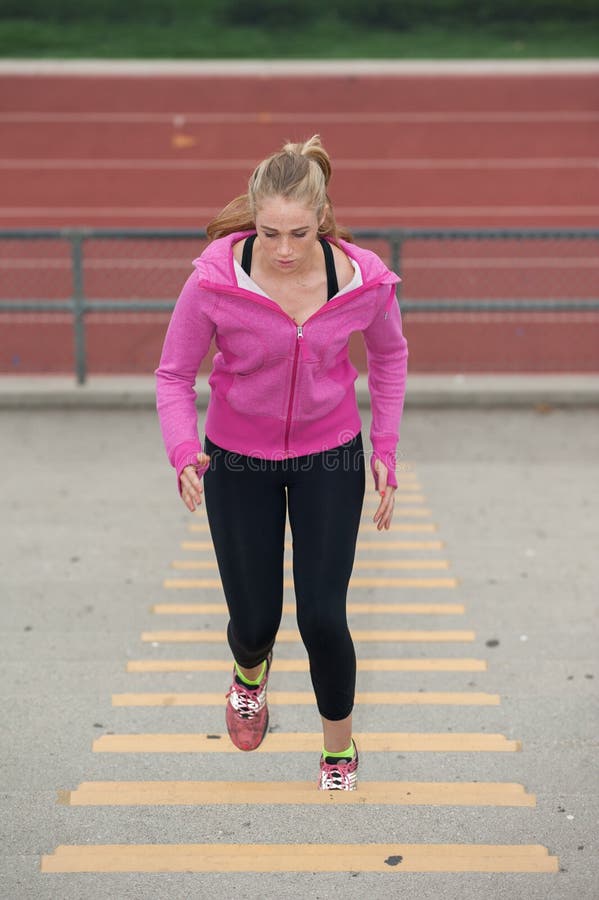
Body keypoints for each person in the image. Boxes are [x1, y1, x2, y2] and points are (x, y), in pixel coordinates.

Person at [155, 135, 408, 791]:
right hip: (237, 460)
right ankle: (248, 676)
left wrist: (383, 447)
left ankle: (337, 754)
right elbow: (174, 375)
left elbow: (388, 357)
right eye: (269, 233)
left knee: (322, 615)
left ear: (321, 220)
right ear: (252, 219)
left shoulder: (361, 282)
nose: (285, 249)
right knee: (255, 621)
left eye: (298, 232)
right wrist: (185, 450)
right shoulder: (213, 282)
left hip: (330, 454)